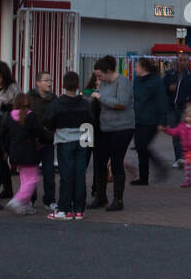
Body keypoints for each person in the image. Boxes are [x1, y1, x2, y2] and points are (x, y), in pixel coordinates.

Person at [45, 72, 94, 220]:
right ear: (78, 85)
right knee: (80, 175)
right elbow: (91, 120)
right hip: (82, 140)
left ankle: (64, 209)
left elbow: (49, 122)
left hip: (64, 140)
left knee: (66, 176)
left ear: (63, 85)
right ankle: (79, 209)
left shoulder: (57, 104)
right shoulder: (85, 104)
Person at [88, 56, 134, 211]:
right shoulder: (104, 84)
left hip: (122, 128)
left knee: (116, 163)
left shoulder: (123, 82)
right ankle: (100, 196)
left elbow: (121, 103)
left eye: (100, 75)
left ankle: (118, 199)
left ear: (108, 71)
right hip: (104, 128)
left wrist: (101, 97)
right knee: (99, 162)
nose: (98, 79)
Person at [0, 93, 52, 215]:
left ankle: (25, 205)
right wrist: (51, 138)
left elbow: (2, 132)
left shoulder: (9, 116)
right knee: (33, 179)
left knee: (25, 180)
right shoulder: (31, 116)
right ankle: (17, 200)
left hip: (15, 153)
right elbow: (40, 133)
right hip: (29, 153)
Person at [130, 58, 169, 185]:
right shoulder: (137, 81)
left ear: (143, 68)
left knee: (142, 146)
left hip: (151, 119)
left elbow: (161, 101)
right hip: (138, 118)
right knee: (140, 147)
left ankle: (159, 166)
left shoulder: (156, 82)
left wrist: (162, 121)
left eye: (137, 66)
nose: (135, 69)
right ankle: (143, 177)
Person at [0, 62, 20, 200]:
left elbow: (17, 105)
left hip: (9, 127)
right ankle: (7, 188)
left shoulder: (12, 88)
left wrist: (3, 105)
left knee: (10, 156)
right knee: (0, 158)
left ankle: (19, 189)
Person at [163, 54, 191, 167]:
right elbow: (161, 89)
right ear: (177, 61)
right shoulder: (170, 74)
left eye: (184, 60)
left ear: (188, 61)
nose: (182, 62)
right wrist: (168, 89)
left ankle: (182, 158)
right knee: (175, 134)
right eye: (180, 60)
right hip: (171, 108)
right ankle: (178, 158)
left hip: (184, 108)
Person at [28, 72, 58, 212]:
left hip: (47, 140)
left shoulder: (54, 99)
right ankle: (30, 199)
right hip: (32, 141)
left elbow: (57, 118)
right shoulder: (30, 98)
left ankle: (50, 200)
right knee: (31, 172)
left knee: (49, 172)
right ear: (38, 83)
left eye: (50, 80)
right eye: (46, 80)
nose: (49, 83)